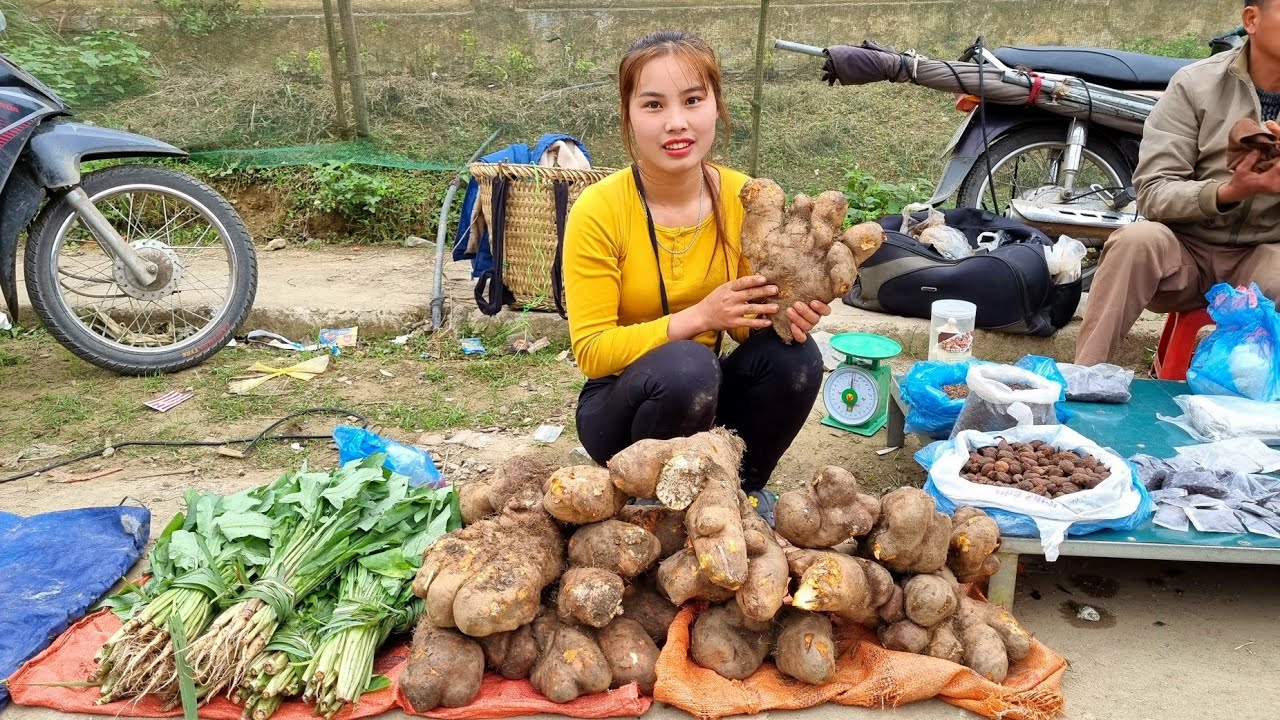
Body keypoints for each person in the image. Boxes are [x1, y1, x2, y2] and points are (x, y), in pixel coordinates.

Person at [562, 30, 827, 524]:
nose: (676, 122)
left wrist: (786, 314)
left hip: (708, 394)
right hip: (623, 410)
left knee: (795, 358)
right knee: (687, 365)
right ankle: (650, 506)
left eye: (692, 100)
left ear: (715, 105)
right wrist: (700, 316)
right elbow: (592, 351)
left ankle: (737, 498)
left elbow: (747, 325)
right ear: (629, 116)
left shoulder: (746, 198)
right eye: (654, 105)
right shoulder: (599, 210)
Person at [1074, 0, 1280, 366]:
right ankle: (1085, 382)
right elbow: (1154, 191)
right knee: (1134, 241)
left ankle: (1264, 412)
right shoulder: (1196, 84)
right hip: (1185, 253)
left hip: (1263, 257)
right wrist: (1231, 191)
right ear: (1251, 19)